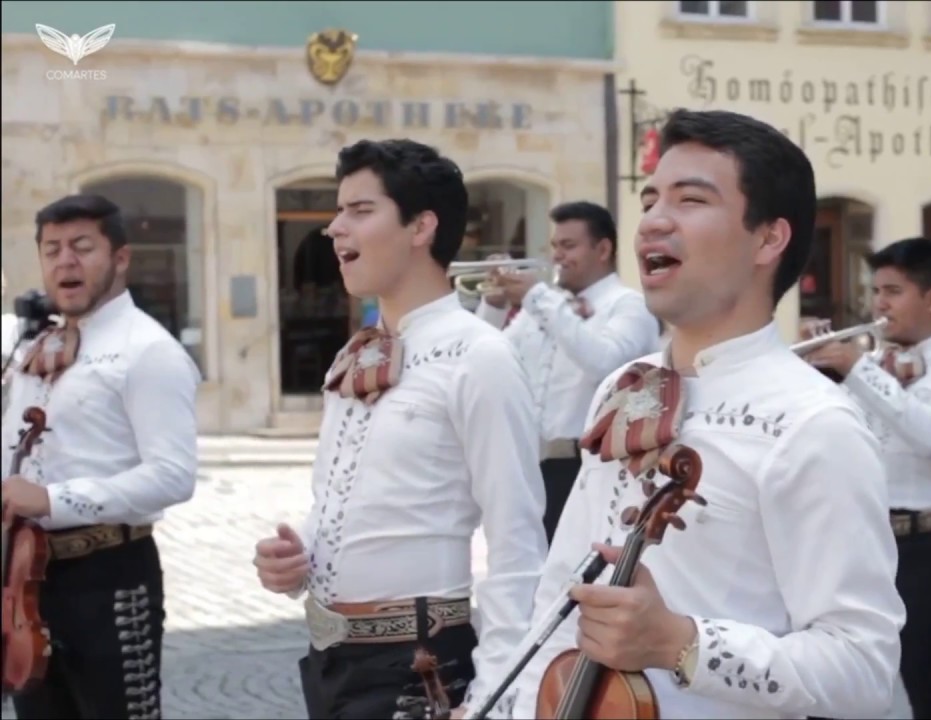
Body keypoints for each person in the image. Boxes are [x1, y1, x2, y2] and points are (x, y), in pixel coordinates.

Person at [499, 109, 905, 719]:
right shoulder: (623, 386)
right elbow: (560, 593)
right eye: (650, 200)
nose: (653, 221)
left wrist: (684, 644)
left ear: (768, 238)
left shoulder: (814, 423)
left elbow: (865, 669)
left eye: (690, 200)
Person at [251, 139, 548, 719]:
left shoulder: (478, 355)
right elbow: (343, 499)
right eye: (339, 211)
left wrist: (494, 696)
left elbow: (518, 542)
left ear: (421, 226)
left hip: (420, 665)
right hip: (330, 660)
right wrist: (297, 558)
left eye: (360, 211)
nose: (335, 228)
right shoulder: (355, 354)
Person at [2, 193, 201, 719]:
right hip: (24, 578)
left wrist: (52, 499)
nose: (65, 261)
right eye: (52, 250)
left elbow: (173, 475)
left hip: (110, 575)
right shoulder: (33, 349)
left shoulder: (149, 351)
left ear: (120, 257)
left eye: (82, 247)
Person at [801, 237, 931, 719]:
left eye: (892, 291)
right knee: (828, 697)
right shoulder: (865, 370)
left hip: (930, 552)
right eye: (875, 292)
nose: (879, 305)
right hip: (857, 549)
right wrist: (810, 376)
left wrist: (857, 369)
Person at [475, 201, 659, 543]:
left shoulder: (628, 306)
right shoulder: (544, 306)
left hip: (590, 468)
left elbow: (606, 363)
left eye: (569, 246)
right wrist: (494, 305)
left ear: (602, 249)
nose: (557, 256)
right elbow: (484, 361)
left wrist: (539, 298)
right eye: (555, 246)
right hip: (530, 465)